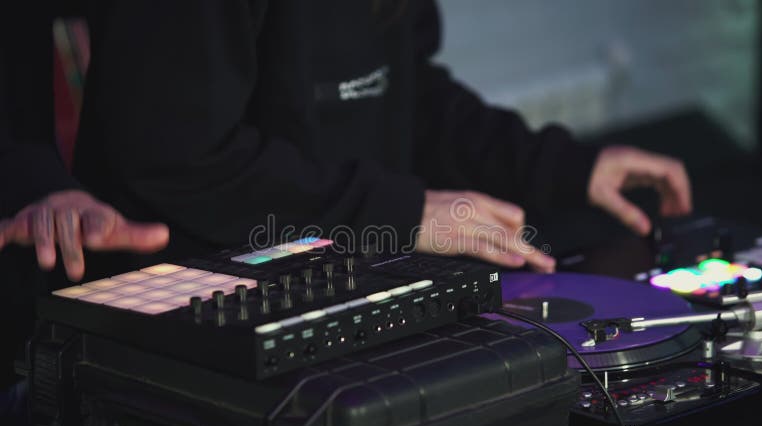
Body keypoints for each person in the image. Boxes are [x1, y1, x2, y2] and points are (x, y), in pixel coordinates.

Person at [0, 0, 691, 283]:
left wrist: (567, 167)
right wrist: (400, 213)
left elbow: (399, 93)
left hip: (342, 283)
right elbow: (172, 152)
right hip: (190, 319)